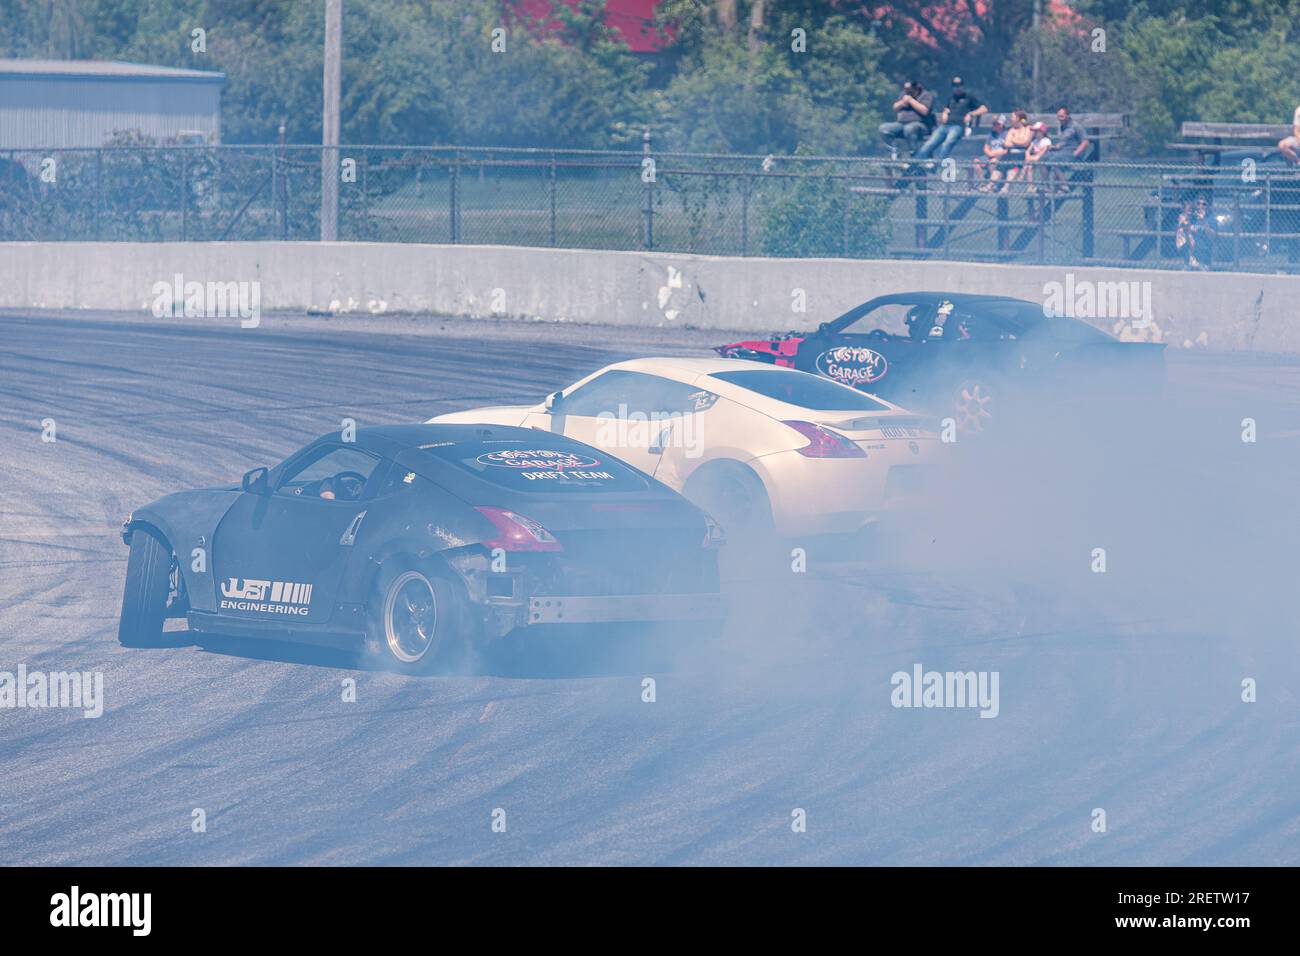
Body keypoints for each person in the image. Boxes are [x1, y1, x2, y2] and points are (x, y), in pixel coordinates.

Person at [915, 76, 987, 161]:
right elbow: (947, 108)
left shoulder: (969, 97)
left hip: (958, 127)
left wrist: (971, 114)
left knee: (946, 143)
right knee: (929, 144)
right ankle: (913, 165)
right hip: (944, 126)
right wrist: (945, 113)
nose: (957, 88)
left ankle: (939, 166)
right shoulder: (951, 98)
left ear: (963, 86)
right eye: (955, 85)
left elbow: (984, 109)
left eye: (959, 85)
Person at [879, 80, 935, 158]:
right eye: (905, 89)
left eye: (909, 89)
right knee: (884, 128)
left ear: (916, 88)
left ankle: (915, 154)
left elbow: (924, 111)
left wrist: (910, 100)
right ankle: (894, 152)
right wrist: (902, 102)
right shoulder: (904, 94)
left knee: (909, 128)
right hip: (901, 125)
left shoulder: (926, 95)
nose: (906, 91)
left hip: (921, 126)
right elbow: (895, 108)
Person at [1044, 105, 1092, 192]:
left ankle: (1064, 186)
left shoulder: (1076, 126)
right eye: (1058, 116)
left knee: (1055, 160)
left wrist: (1076, 153)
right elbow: (1063, 143)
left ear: (1068, 116)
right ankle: (1047, 187)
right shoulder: (1062, 127)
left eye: (1062, 116)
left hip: (1073, 153)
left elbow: (1085, 142)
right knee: (1043, 158)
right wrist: (1055, 147)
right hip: (1062, 152)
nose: (1060, 118)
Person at [998, 109, 1033, 192]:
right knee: (1000, 167)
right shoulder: (1012, 130)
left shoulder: (1028, 128)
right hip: (1010, 156)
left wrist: (1013, 139)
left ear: (1018, 118)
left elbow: (1025, 143)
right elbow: (1006, 144)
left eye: (1012, 117)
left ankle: (1006, 187)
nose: (1011, 119)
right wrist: (1019, 141)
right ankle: (993, 186)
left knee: (1014, 170)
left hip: (1021, 160)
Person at [977, 114, 1009, 191]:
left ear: (1002, 125)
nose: (994, 126)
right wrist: (990, 154)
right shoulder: (991, 134)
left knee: (993, 162)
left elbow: (1006, 150)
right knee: (976, 162)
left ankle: (994, 184)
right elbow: (986, 148)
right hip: (990, 155)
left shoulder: (1007, 134)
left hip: (1001, 157)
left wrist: (995, 154)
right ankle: (982, 183)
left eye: (997, 124)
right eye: (994, 124)